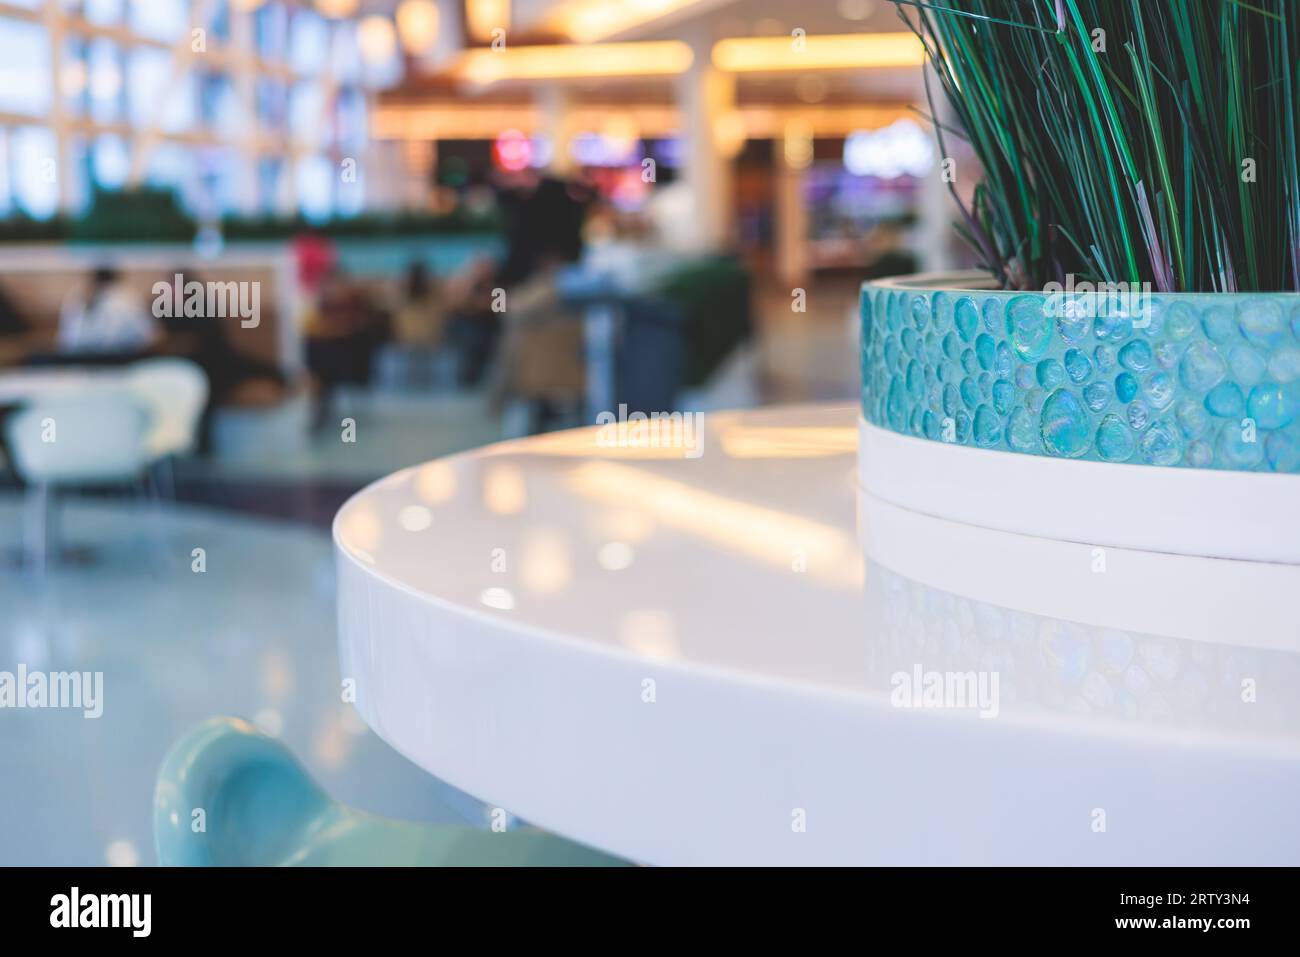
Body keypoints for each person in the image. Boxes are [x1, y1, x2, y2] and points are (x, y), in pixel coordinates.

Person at [57, 266, 159, 355]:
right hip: (117, 366)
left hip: (91, 365)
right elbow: (151, 338)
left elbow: (65, 342)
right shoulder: (129, 297)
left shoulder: (75, 296)